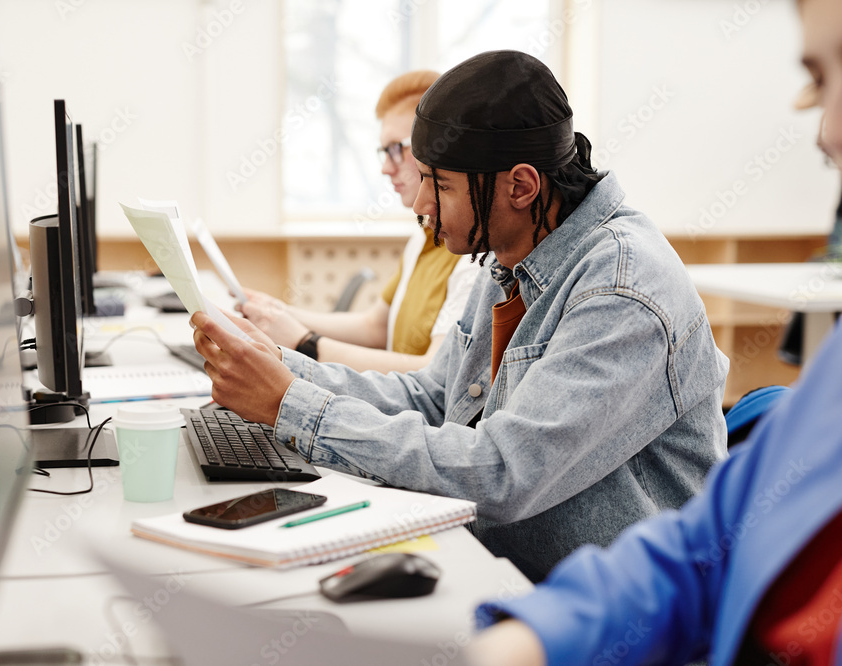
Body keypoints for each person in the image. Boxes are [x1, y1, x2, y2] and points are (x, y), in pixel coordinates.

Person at [191, 50, 728, 581]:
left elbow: (502, 473)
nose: (421, 204)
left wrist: (292, 406)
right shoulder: (509, 254)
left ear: (521, 186)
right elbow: (433, 399)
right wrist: (280, 367)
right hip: (503, 570)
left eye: (440, 184)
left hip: (616, 617)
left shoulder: (622, 289)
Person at [466, 0, 842, 663]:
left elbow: (503, 472)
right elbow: (704, 548)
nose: (826, 133)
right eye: (820, 81)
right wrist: (538, 636)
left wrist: (303, 397)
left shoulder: (622, 281)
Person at [239, 71, 481, 373]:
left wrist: (305, 342)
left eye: (396, 148)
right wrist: (277, 314)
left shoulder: (478, 255)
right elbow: (376, 326)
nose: (384, 169)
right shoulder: (424, 234)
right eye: (385, 151)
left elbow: (435, 378)